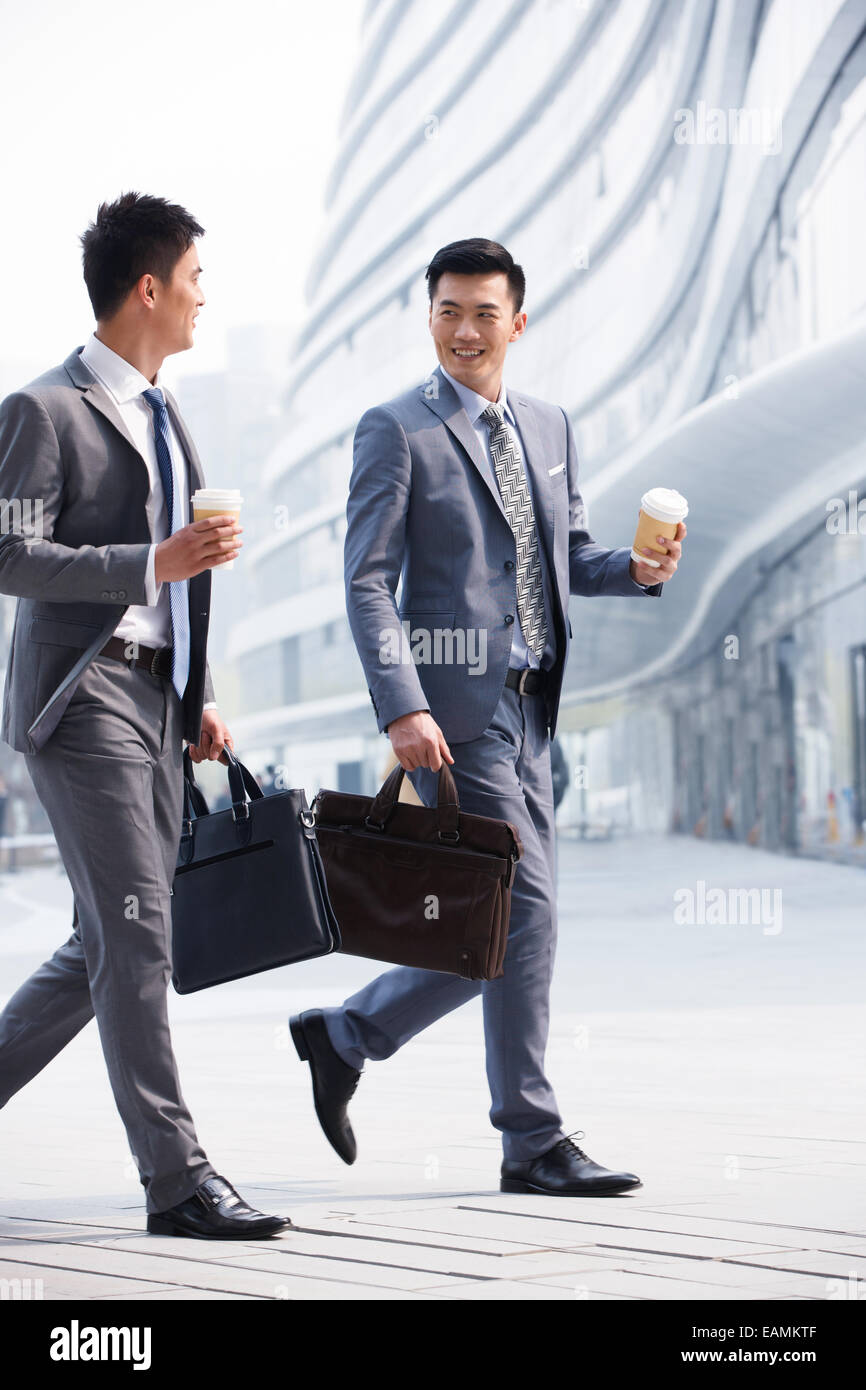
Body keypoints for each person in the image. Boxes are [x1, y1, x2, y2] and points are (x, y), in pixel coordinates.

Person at [291, 238, 685, 1196]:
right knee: (529, 914)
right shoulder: (396, 429)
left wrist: (630, 571)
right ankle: (531, 1138)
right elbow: (368, 584)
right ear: (430, 318)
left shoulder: (548, 425)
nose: (465, 331)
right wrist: (402, 706)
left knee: (500, 919)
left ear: (519, 320)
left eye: (483, 313)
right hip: (454, 714)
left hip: (533, 710)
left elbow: (566, 555)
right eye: (447, 312)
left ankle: (347, 1034)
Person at [0, 193, 290, 1239]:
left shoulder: (169, 412)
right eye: (198, 279)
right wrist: (147, 561)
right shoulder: (44, 409)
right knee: (140, 935)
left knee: (104, 942)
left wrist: (198, 694)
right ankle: (176, 1179)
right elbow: (9, 555)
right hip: (80, 700)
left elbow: (171, 596)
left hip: (156, 701)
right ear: (149, 287)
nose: (207, 298)